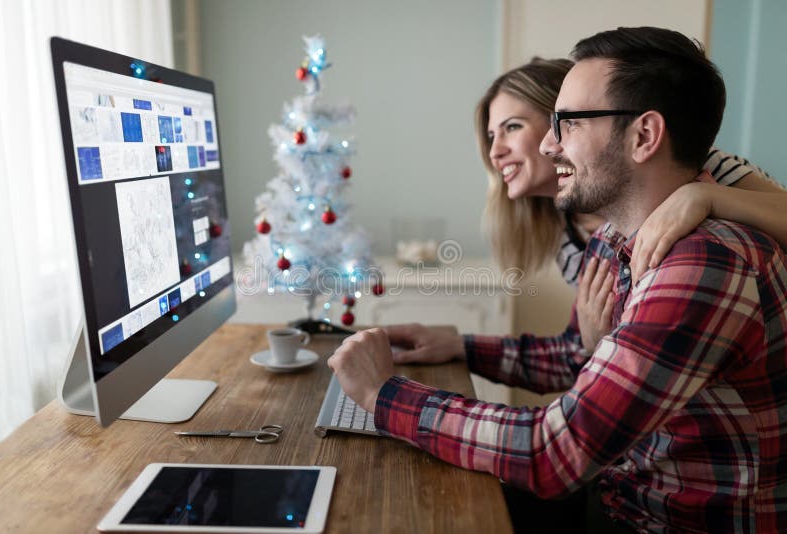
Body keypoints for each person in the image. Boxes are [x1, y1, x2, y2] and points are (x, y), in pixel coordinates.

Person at [328, 27, 787, 532]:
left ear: (645, 136)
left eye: (565, 123)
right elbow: (576, 353)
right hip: (620, 491)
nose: (549, 145)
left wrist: (383, 396)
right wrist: (459, 345)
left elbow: (554, 451)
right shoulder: (614, 236)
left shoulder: (706, 259)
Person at [476, 57, 786, 351]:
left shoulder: (696, 167)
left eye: (512, 127)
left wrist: (704, 196)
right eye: (491, 136)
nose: (494, 152)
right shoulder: (566, 230)